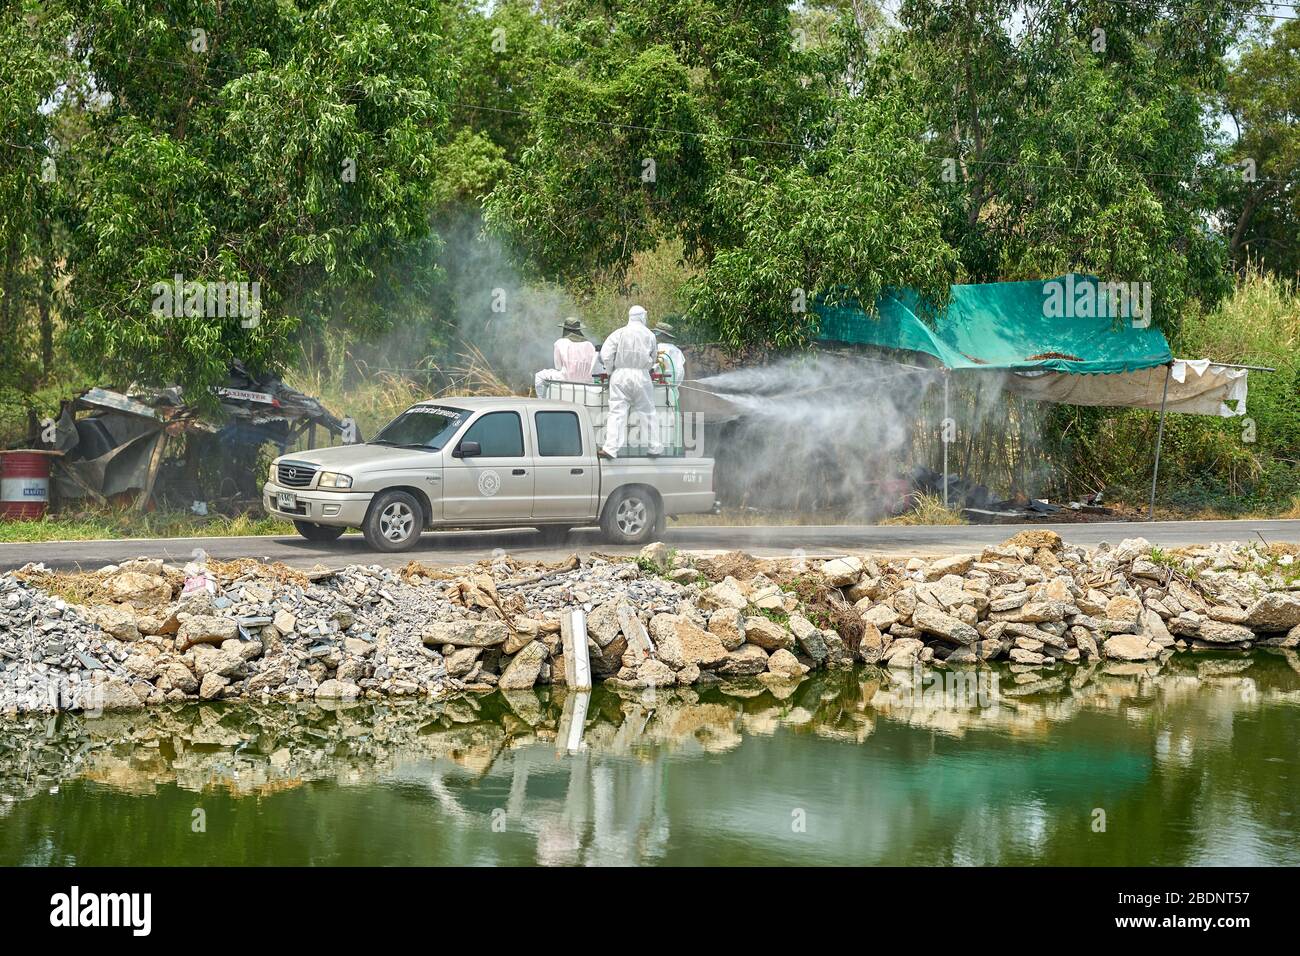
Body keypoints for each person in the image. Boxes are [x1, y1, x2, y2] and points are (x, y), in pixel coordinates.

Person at [599, 305, 662, 458]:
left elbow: (605, 354)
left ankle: (610, 449)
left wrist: (610, 371)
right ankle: (655, 447)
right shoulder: (650, 335)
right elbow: (653, 357)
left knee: (617, 412)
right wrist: (647, 367)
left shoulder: (619, 333)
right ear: (642, 316)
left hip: (620, 375)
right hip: (642, 376)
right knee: (647, 412)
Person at [534, 317, 599, 397]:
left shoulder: (560, 343)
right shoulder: (589, 345)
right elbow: (594, 366)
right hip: (586, 379)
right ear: (579, 330)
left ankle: (542, 401)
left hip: (566, 378)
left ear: (565, 330)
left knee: (539, 376)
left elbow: (558, 367)